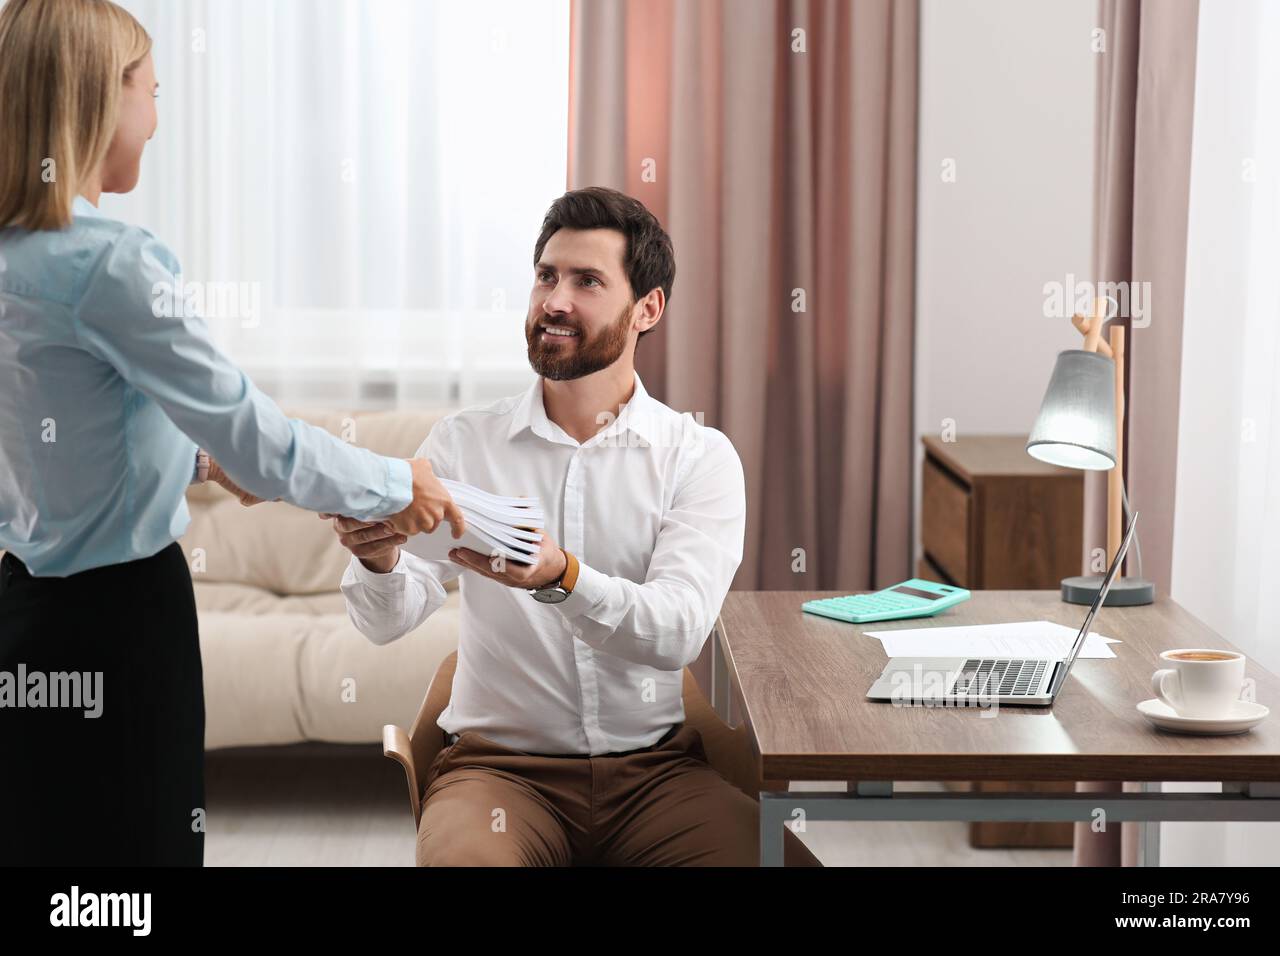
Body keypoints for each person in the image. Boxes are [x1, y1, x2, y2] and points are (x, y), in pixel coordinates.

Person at [0, 0, 463, 866]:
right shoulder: (111, 264)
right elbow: (265, 441)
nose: (159, 117)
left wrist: (201, 458)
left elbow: (59, 435)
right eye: (152, 90)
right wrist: (404, 484)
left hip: (26, 616)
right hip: (124, 621)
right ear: (101, 101)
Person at [333, 186, 821, 866]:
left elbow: (676, 628)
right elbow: (385, 621)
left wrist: (562, 578)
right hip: (499, 775)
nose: (554, 301)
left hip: (657, 776)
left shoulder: (697, 457)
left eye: (587, 281)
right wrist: (379, 561)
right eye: (546, 277)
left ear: (647, 308)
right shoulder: (464, 443)